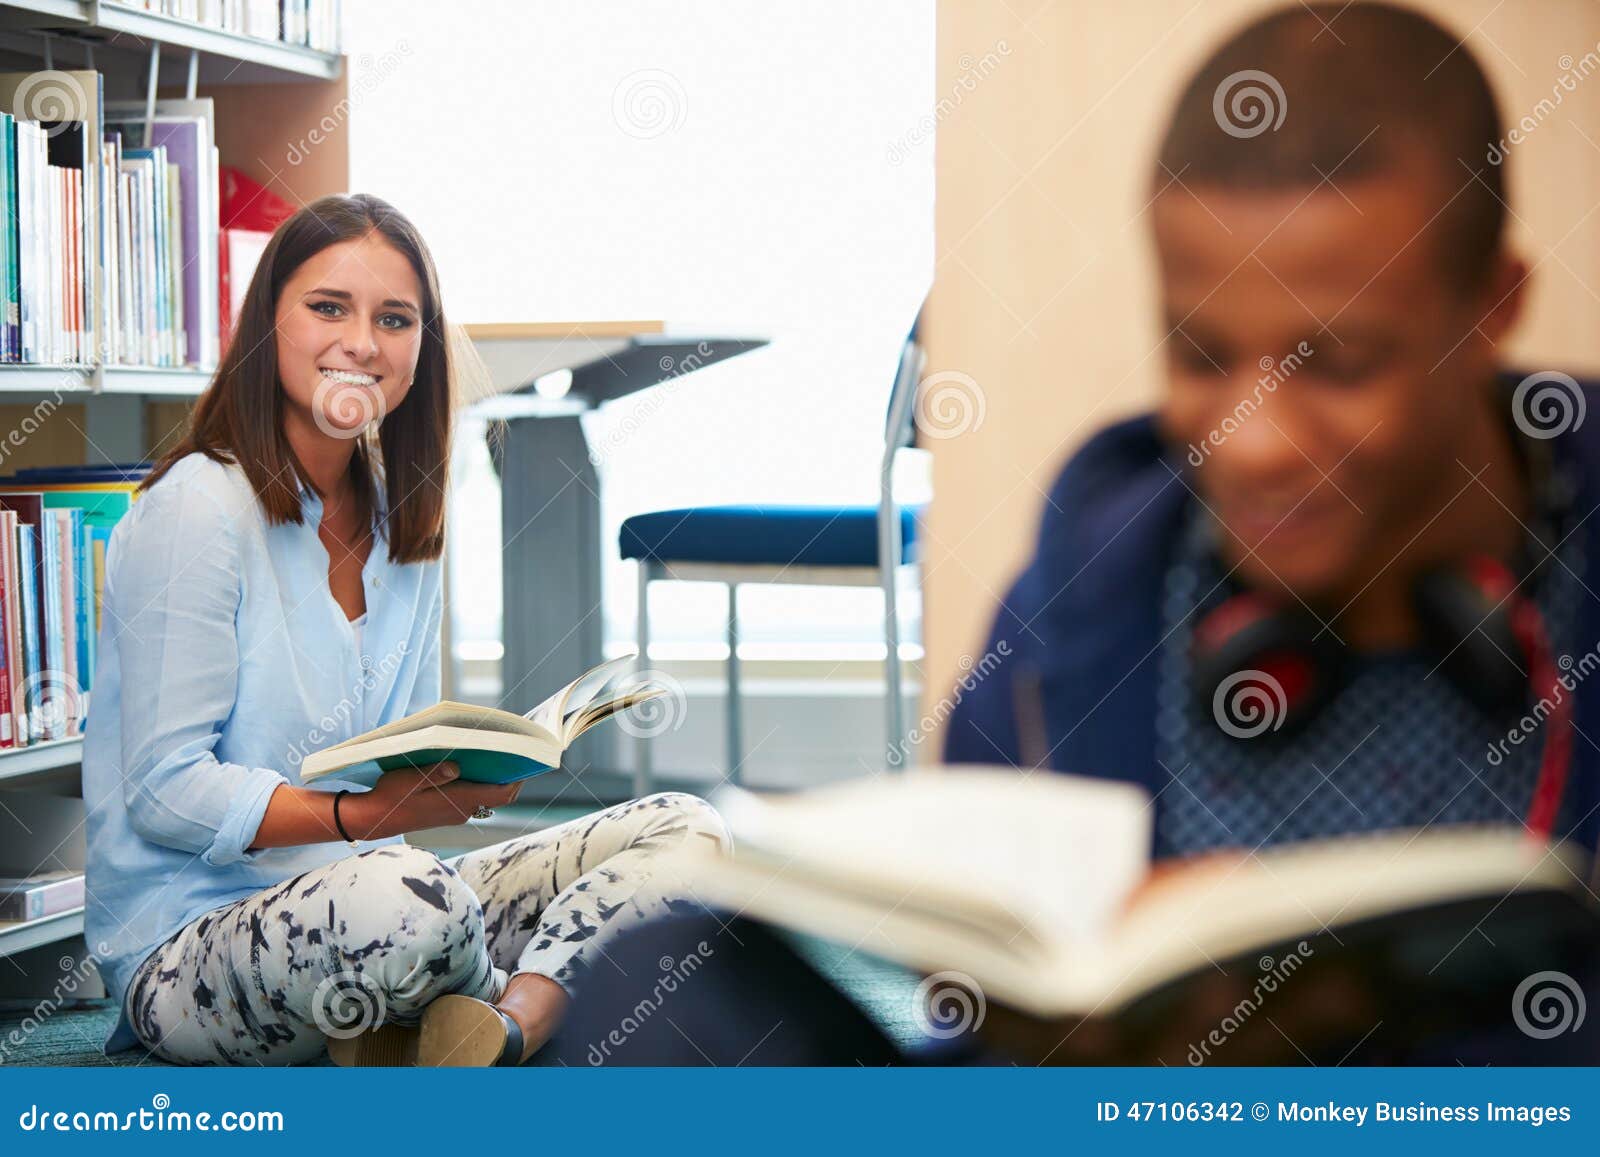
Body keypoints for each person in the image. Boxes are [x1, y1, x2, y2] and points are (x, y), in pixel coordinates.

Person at [540, 1, 1600, 1065]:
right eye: (1200, 354)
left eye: (1337, 363)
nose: (1254, 443)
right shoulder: (1093, 581)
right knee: (664, 974)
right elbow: (992, 984)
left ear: (1491, 309)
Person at [82, 193, 728, 1067]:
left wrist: (464, 775)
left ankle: (501, 1026)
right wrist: (361, 817)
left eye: (395, 319)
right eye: (327, 308)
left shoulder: (404, 520)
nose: (362, 342)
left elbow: (399, 758)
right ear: (267, 323)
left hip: (379, 897)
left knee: (690, 831)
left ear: (421, 348)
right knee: (418, 901)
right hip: (191, 946)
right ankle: (457, 1012)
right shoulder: (198, 506)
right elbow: (164, 789)